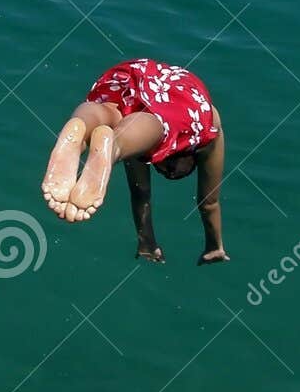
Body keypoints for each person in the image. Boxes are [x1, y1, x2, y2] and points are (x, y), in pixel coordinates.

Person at [41, 58, 227, 264]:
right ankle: (112, 149)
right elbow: (209, 203)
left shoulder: (143, 148)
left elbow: (141, 192)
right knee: (158, 129)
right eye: (172, 169)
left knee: (111, 112)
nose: (167, 170)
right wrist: (214, 246)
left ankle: (79, 127)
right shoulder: (208, 135)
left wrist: (147, 242)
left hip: (133, 75)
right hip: (185, 105)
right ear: (192, 157)